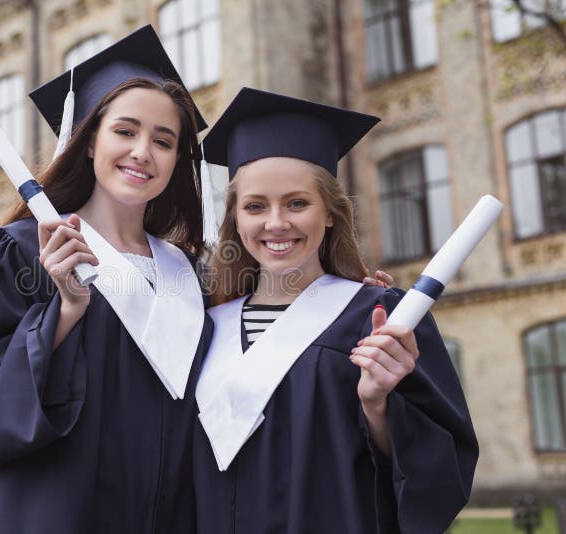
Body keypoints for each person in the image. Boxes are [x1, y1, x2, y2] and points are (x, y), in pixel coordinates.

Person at [0, 26, 214, 533]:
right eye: (125, 131)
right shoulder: (22, 251)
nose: (143, 151)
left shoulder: (190, 274)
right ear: (88, 139)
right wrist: (62, 315)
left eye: (164, 141)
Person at [193, 88, 478, 534]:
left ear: (329, 213)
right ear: (235, 219)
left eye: (297, 203)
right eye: (254, 206)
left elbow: (437, 469)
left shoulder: (380, 316)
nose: (276, 223)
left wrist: (378, 404)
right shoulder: (205, 327)